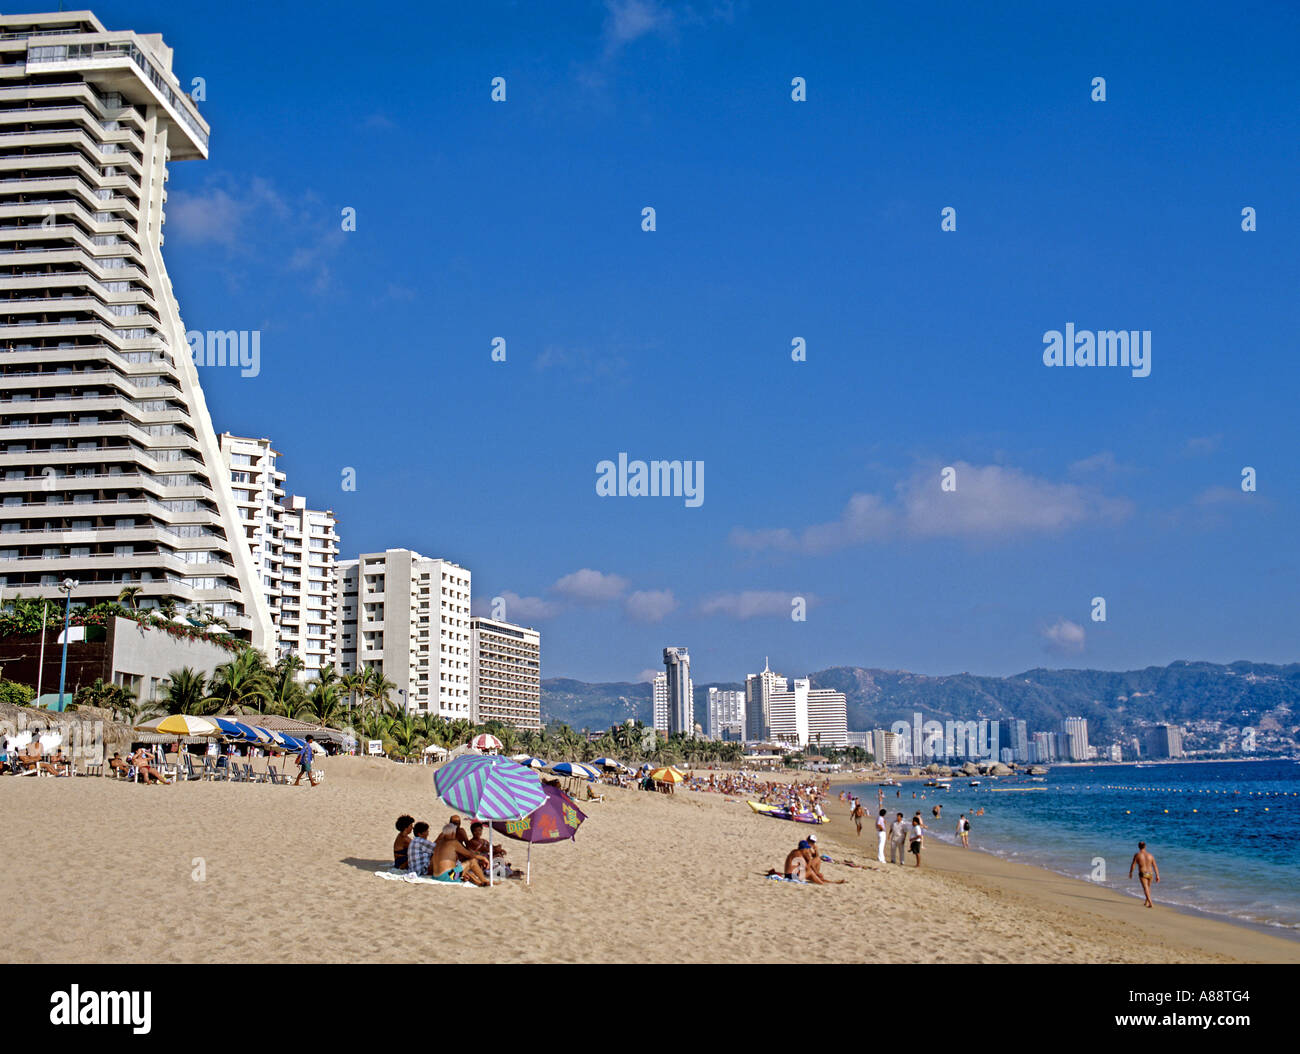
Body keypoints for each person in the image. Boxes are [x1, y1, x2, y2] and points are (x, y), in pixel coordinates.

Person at [1129, 842, 1160, 908]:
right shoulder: (1150, 855)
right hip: (1150, 873)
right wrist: (1157, 875)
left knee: (1145, 888)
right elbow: (1155, 866)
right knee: (1148, 888)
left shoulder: (1137, 855)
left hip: (1143, 873)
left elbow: (1133, 865)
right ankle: (1146, 901)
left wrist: (1131, 873)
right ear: (1145, 846)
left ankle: (1150, 902)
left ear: (1138, 847)